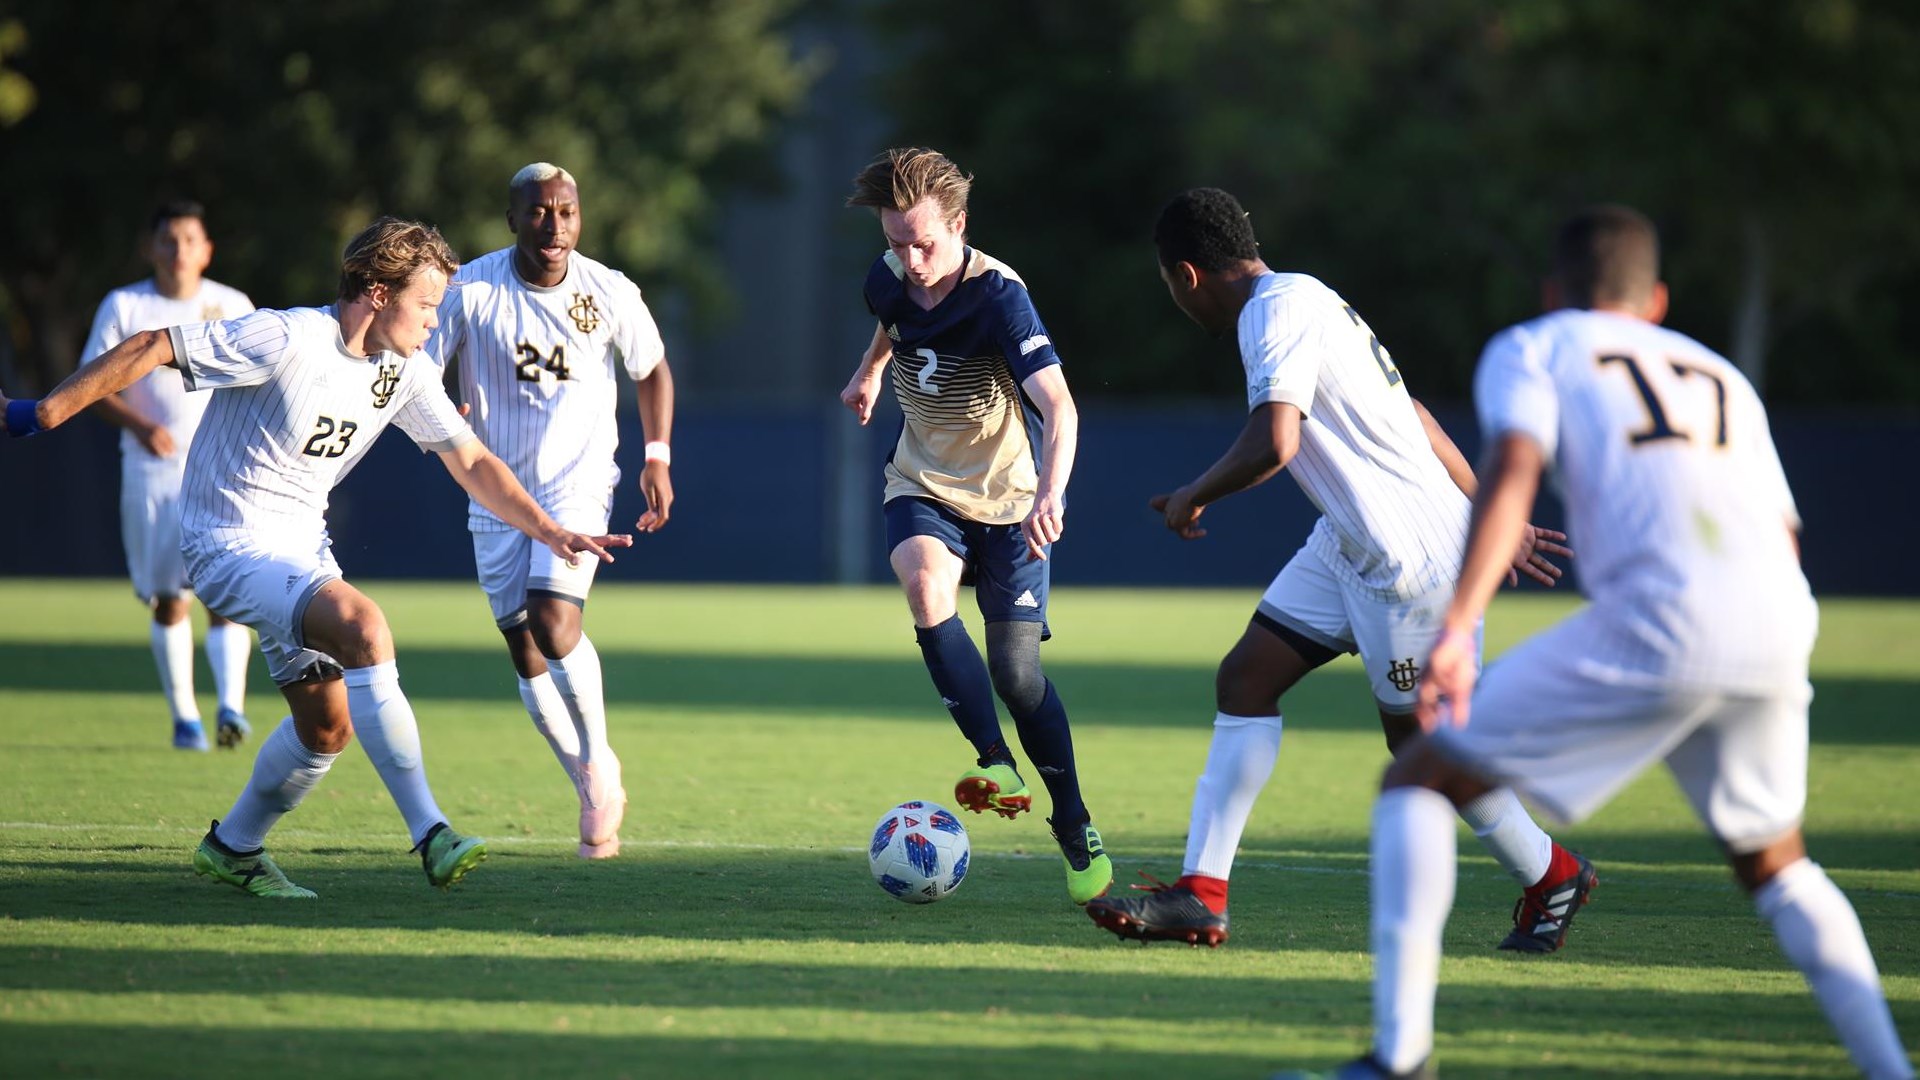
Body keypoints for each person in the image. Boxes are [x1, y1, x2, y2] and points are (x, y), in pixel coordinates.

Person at [1275, 207, 1914, 1080]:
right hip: (1777, 617)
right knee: (1778, 863)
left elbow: (1511, 479)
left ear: (1554, 291)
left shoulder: (1533, 347)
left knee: (1418, 774)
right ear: (1655, 300)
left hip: (1660, 619)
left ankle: (1400, 1058)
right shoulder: (1721, 373)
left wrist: (1458, 626)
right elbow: (1784, 530)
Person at [1, 217, 631, 899]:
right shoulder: (284, 336)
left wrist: (549, 530)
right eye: (426, 304)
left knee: (326, 729)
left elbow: (473, 460)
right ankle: (431, 832)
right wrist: (39, 413)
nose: (434, 323)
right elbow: (155, 344)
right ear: (380, 293)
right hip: (227, 544)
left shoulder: (405, 371)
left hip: (302, 553)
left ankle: (233, 847)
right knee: (364, 627)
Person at [1087, 188, 1585, 951]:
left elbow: (1274, 442)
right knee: (1246, 678)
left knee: (1422, 747)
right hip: (1350, 543)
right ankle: (1201, 894)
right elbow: (1410, 411)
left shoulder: (1269, 312)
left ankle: (1551, 876)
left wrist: (1191, 495)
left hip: (1406, 560)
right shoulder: (1308, 294)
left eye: (1168, 287)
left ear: (1186, 276)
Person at [840, 146, 1113, 905]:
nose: (911, 258)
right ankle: (994, 761)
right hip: (921, 482)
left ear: (957, 224)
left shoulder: (1000, 297)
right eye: (896, 242)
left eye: (925, 241)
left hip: (1011, 500)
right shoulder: (888, 276)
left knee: (1018, 677)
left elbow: (1060, 406)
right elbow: (890, 320)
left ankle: (1074, 822)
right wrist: (869, 370)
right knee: (926, 586)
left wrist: (1053, 494)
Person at [429, 163, 674, 860]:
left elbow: (651, 368)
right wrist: (446, 409)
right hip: (496, 488)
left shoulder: (610, 290)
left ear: (580, 218)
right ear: (512, 218)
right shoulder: (470, 290)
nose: (554, 226)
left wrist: (657, 455)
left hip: (579, 481)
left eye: (566, 212)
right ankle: (586, 782)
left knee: (554, 618)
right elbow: (419, 365)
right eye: (538, 212)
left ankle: (599, 761)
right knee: (525, 650)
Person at [80, 201, 256, 751]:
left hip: (222, 471)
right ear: (150, 247)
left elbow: (259, 378)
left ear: (207, 250)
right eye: (168, 239)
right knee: (169, 597)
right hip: (154, 469)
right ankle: (186, 718)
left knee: (225, 594)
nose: (178, 250)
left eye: (189, 239)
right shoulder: (126, 305)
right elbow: (93, 383)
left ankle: (231, 706)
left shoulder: (231, 304)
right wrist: (138, 426)